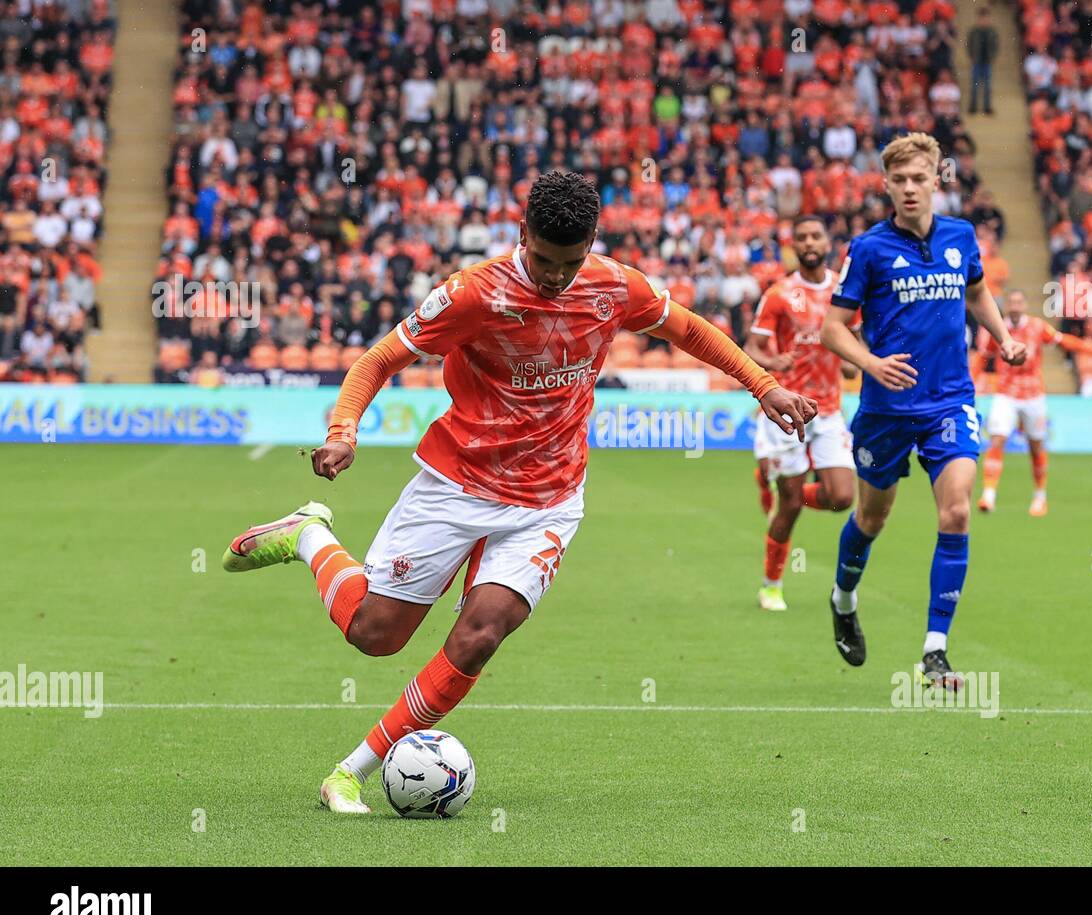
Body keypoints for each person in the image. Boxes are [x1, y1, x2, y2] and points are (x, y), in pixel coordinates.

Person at [220, 171, 816, 813]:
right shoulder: (472, 294)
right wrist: (344, 431)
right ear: (521, 231)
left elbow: (689, 331)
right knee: (375, 635)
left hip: (549, 501)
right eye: (543, 259)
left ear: (592, 242)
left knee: (479, 636)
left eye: (571, 261)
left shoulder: (615, 285)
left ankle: (350, 771)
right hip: (456, 482)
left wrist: (764, 386)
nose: (557, 276)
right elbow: (378, 360)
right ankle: (309, 534)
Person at [819, 133, 1026, 688]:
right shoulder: (867, 249)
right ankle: (843, 597)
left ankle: (935, 650)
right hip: (886, 409)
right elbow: (832, 330)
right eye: (900, 180)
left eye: (919, 179)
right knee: (872, 518)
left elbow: (976, 292)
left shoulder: (961, 237)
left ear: (937, 180)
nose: (910, 189)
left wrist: (1003, 338)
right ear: (886, 185)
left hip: (949, 402)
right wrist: (873, 363)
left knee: (956, 511)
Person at [743, 215, 856, 612]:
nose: (810, 242)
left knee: (842, 496)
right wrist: (775, 358)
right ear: (795, 245)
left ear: (828, 241)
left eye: (816, 234)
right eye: (802, 237)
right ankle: (771, 585)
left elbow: (851, 343)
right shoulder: (778, 293)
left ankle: (779, 485)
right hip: (786, 408)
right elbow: (752, 348)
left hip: (828, 409)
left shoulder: (844, 294)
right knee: (789, 508)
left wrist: (851, 363)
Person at [975, 289, 1092, 517]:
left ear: (1024, 305)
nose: (1014, 306)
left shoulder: (1037, 327)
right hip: (1005, 393)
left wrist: (1090, 349)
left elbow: (1063, 341)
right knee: (997, 440)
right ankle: (988, 494)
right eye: (1011, 303)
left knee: (1036, 447)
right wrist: (973, 381)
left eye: (1018, 302)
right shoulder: (996, 329)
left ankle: (1040, 496)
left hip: (1033, 394)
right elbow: (983, 357)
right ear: (1006, 306)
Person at [967, 8, 999, 115]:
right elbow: (969, 45)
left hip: (987, 61)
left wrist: (993, 56)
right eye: (982, 18)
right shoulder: (974, 31)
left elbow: (996, 45)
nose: (984, 20)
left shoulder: (992, 32)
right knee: (975, 85)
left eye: (985, 18)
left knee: (987, 86)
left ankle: (987, 107)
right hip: (977, 60)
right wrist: (971, 56)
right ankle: (973, 107)